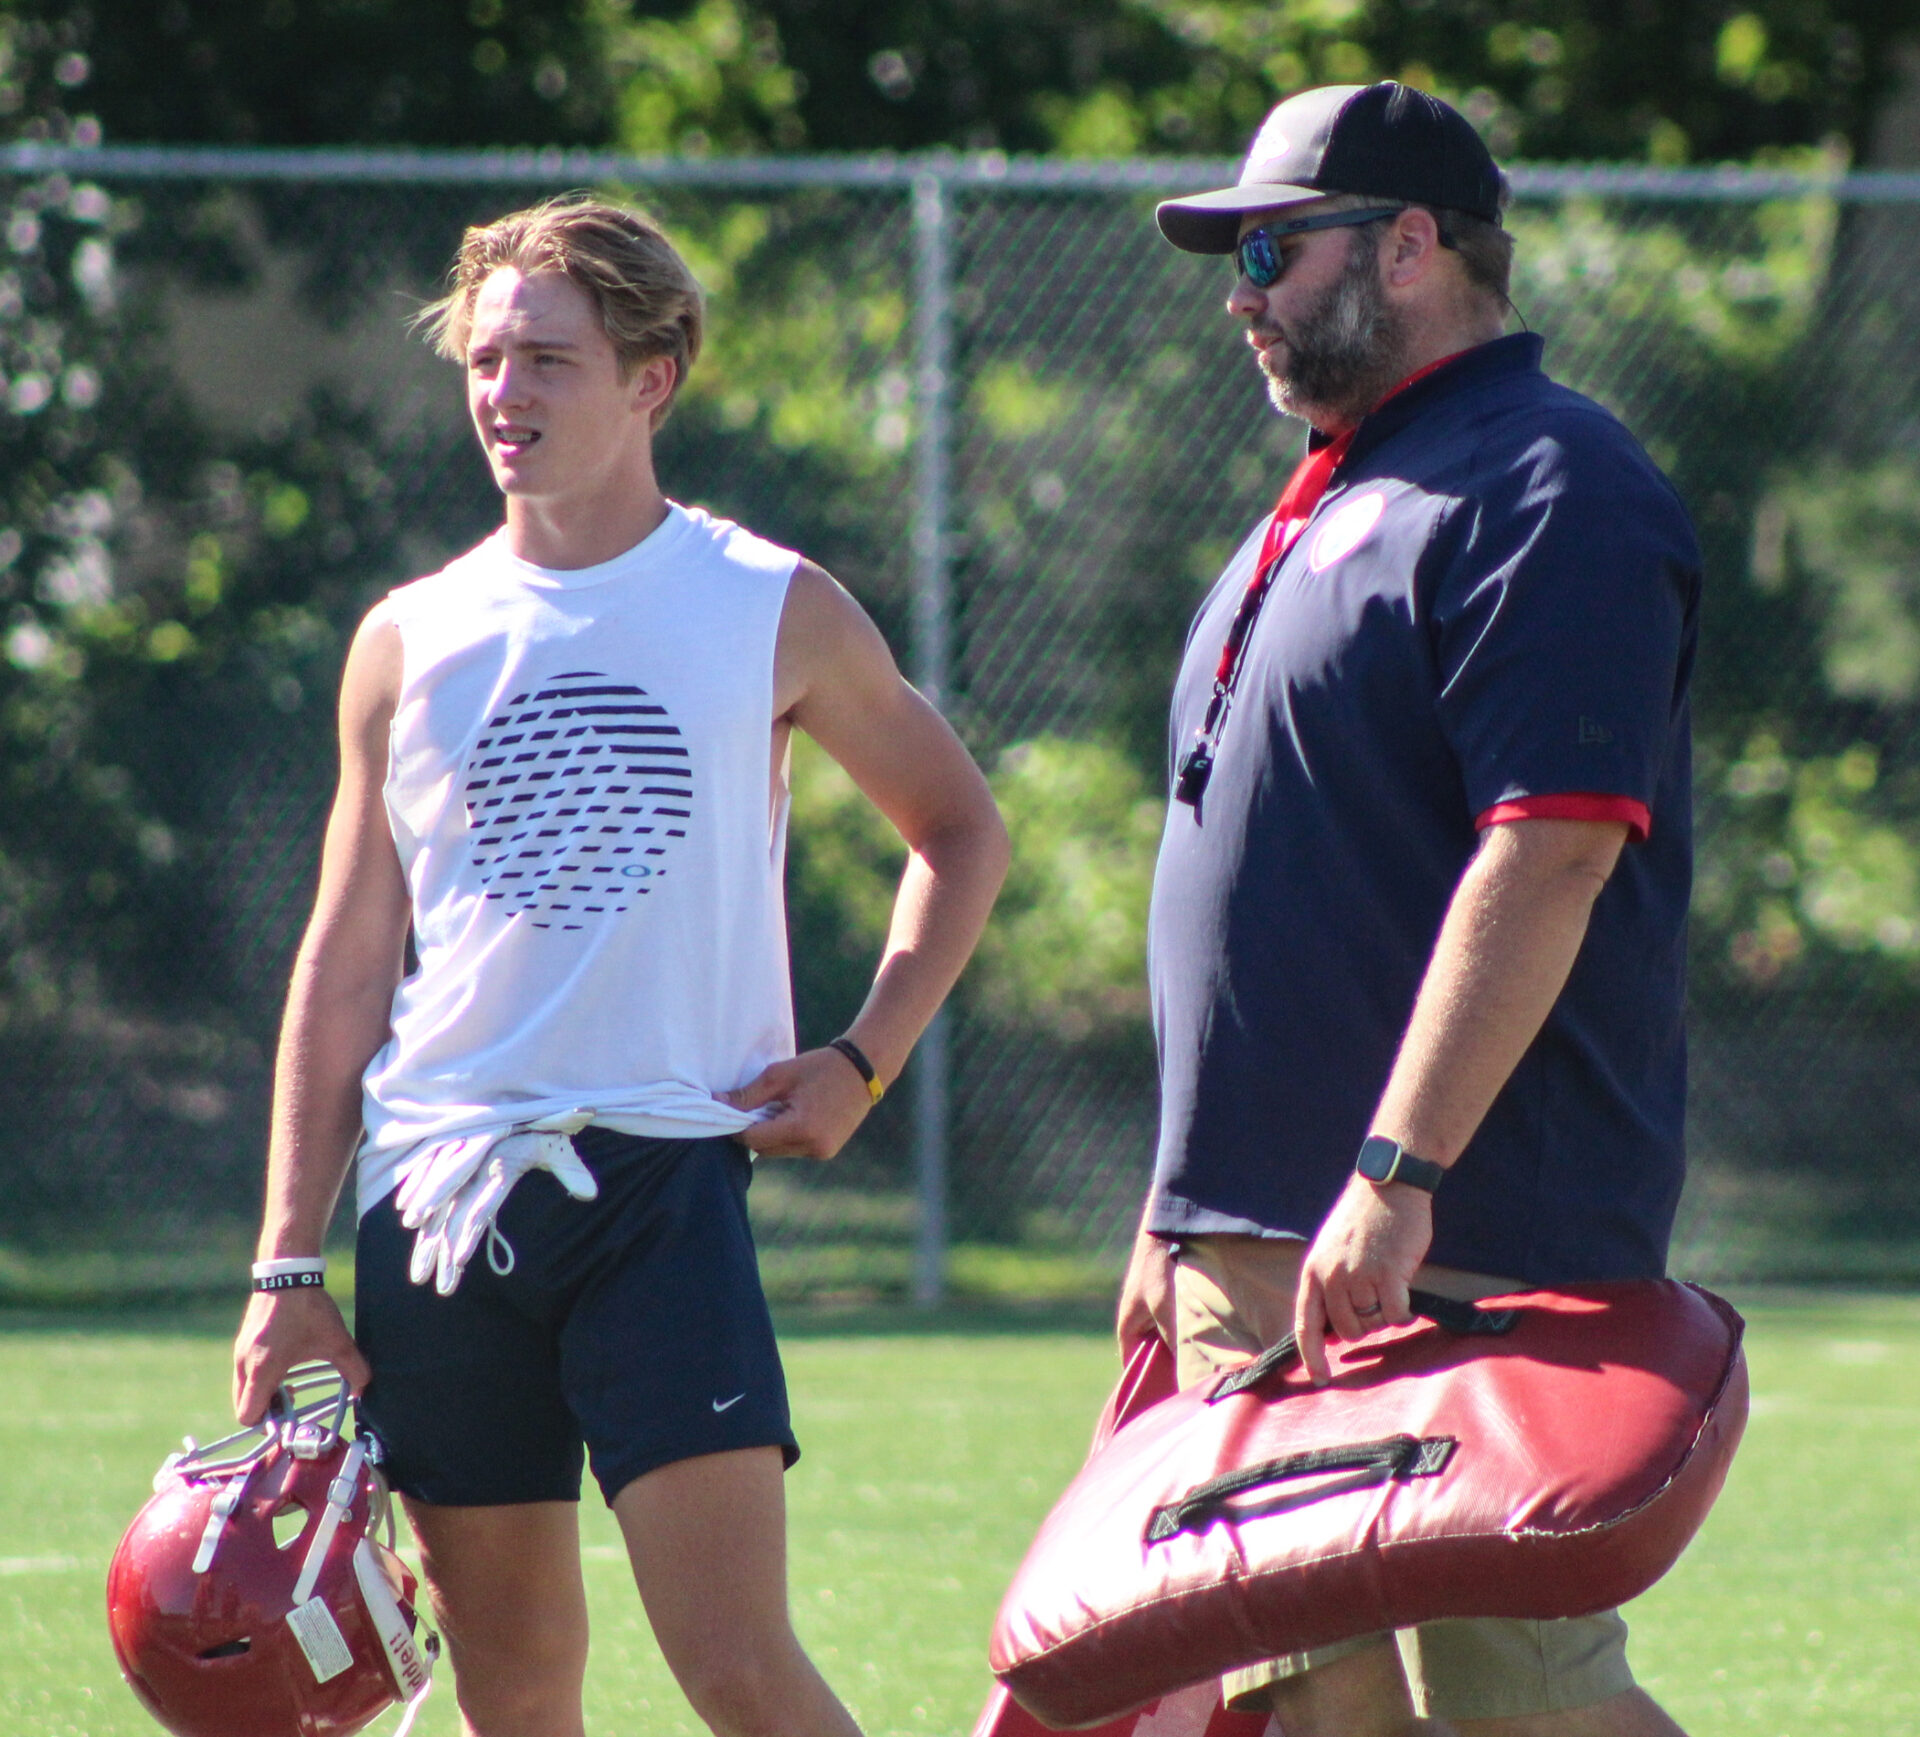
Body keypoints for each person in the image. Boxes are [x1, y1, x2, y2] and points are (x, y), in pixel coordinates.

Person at [230, 194, 1009, 1737]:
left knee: (736, 1665)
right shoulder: (408, 637)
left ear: (652, 378)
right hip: (437, 1207)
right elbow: (345, 960)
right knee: (512, 1687)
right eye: (485, 359)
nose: (503, 395)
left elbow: (960, 829)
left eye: (548, 361)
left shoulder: (765, 602)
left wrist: (864, 1058)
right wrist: (285, 1261)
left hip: (660, 1190)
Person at [1117, 83, 1701, 1737]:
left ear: (1414, 245)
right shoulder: (1327, 490)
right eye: (1238, 256)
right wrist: (1180, 1215)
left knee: (1524, 1703)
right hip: (1260, 1231)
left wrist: (1397, 1169)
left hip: (1458, 1222)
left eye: (1277, 248)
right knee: (1316, 1705)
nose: (1243, 290)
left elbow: (1553, 849)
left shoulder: (1549, 478)